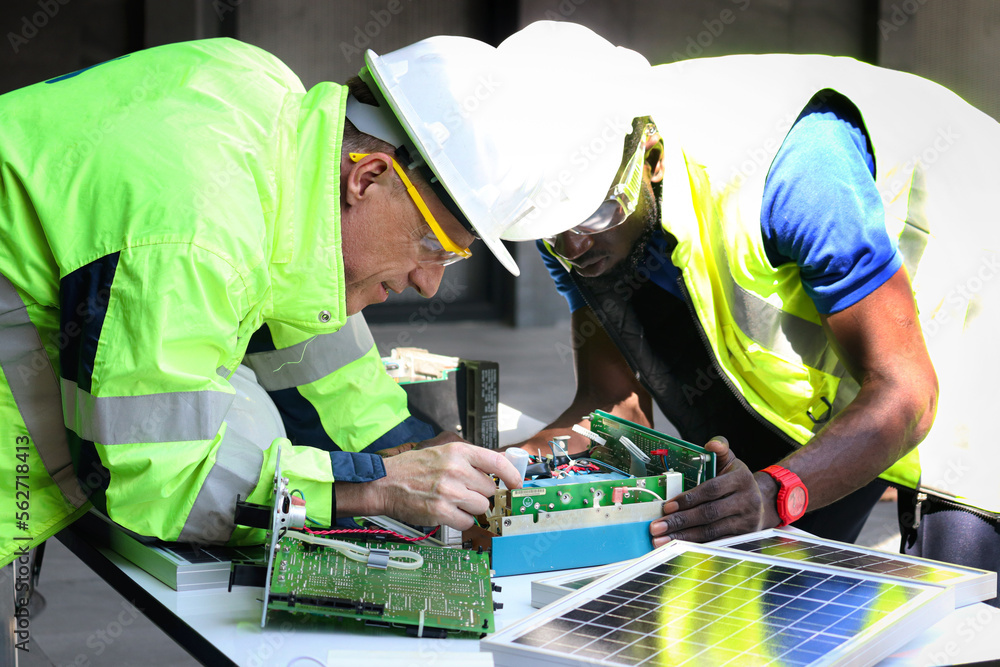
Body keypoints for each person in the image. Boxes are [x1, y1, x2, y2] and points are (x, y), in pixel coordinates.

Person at [499, 23, 1000, 598]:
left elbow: (906, 393)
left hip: (973, 318)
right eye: (547, 226)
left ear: (652, 160)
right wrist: (515, 469)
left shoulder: (798, 170)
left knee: (957, 608)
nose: (570, 247)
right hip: (853, 366)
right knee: (759, 587)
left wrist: (774, 492)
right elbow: (614, 410)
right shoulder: (575, 210)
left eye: (587, 219)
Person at [0, 34, 540, 567]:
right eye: (434, 248)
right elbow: (157, 479)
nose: (428, 284)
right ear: (369, 177)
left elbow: (307, 342)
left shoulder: (266, 106)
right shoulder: (196, 237)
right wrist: (374, 489)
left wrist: (413, 449)